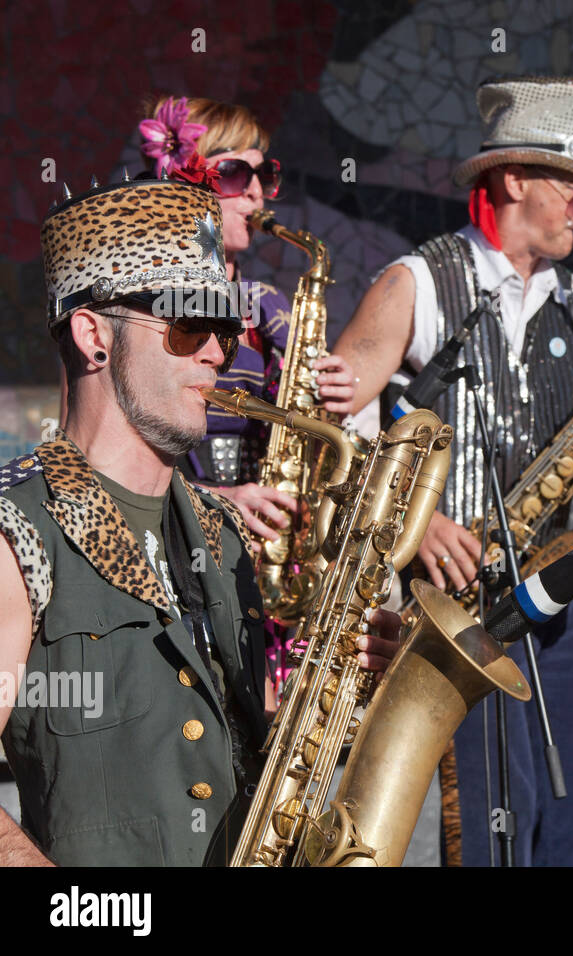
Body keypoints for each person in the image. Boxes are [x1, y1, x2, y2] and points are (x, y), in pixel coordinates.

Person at [0, 177, 397, 866]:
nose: (219, 353)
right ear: (93, 334)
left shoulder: (222, 528)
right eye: (187, 327)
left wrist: (340, 691)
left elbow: (235, 749)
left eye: (225, 328)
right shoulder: (19, 528)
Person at [336, 75, 573, 866]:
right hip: (458, 604)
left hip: (552, 588)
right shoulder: (418, 281)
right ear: (514, 179)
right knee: (500, 819)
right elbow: (329, 427)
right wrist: (416, 520)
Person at [137, 96, 357, 550]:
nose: (258, 193)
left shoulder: (271, 308)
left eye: (266, 175)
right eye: (237, 174)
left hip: (265, 558)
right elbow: (94, 461)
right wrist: (215, 503)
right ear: (185, 181)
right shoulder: (134, 306)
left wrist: (327, 409)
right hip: (168, 550)